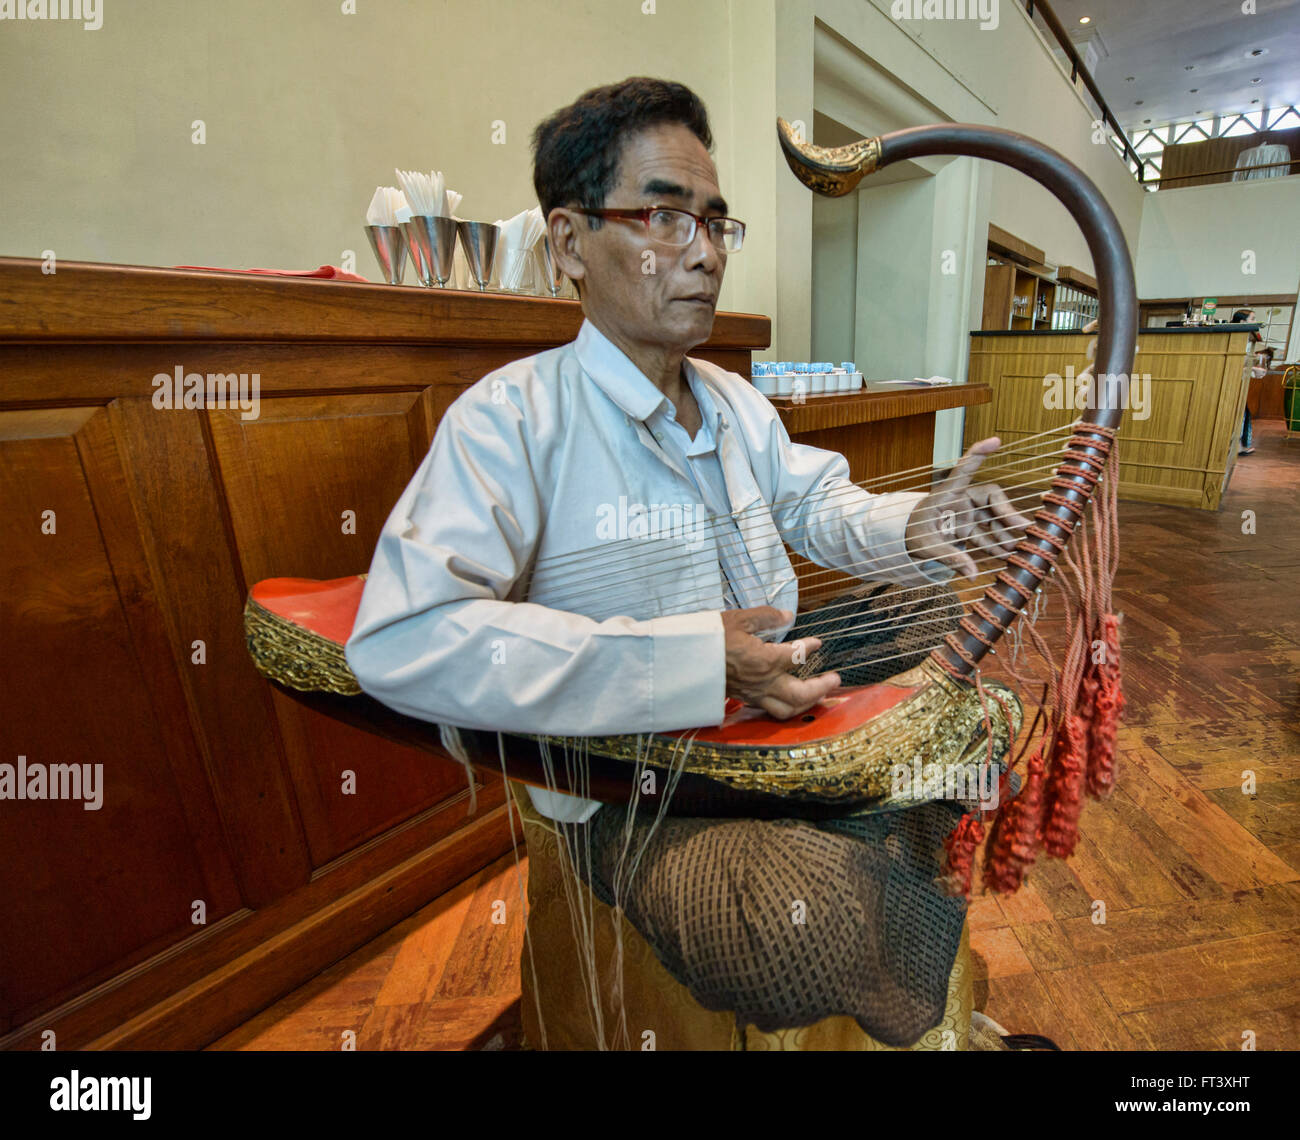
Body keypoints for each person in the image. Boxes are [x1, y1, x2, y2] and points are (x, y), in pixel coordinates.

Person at [345, 77, 1030, 1045]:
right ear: (569, 243)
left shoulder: (734, 399)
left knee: (929, 622)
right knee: (796, 934)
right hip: (632, 773)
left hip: (769, 704)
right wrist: (694, 667)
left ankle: (864, 864)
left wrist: (916, 530)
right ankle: (894, 959)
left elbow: (815, 502)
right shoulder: (510, 418)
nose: (704, 253)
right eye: (664, 217)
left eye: (714, 222)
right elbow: (404, 639)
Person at [1233, 307, 1268, 455]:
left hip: (1238, 385)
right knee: (1239, 415)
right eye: (1252, 319)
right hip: (1231, 386)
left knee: (1243, 414)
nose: (1255, 322)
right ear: (1242, 322)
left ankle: (1238, 447)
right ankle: (1236, 448)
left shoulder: (1245, 341)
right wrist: (1253, 369)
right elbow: (1232, 368)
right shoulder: (1234, 340)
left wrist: (1253, 370)